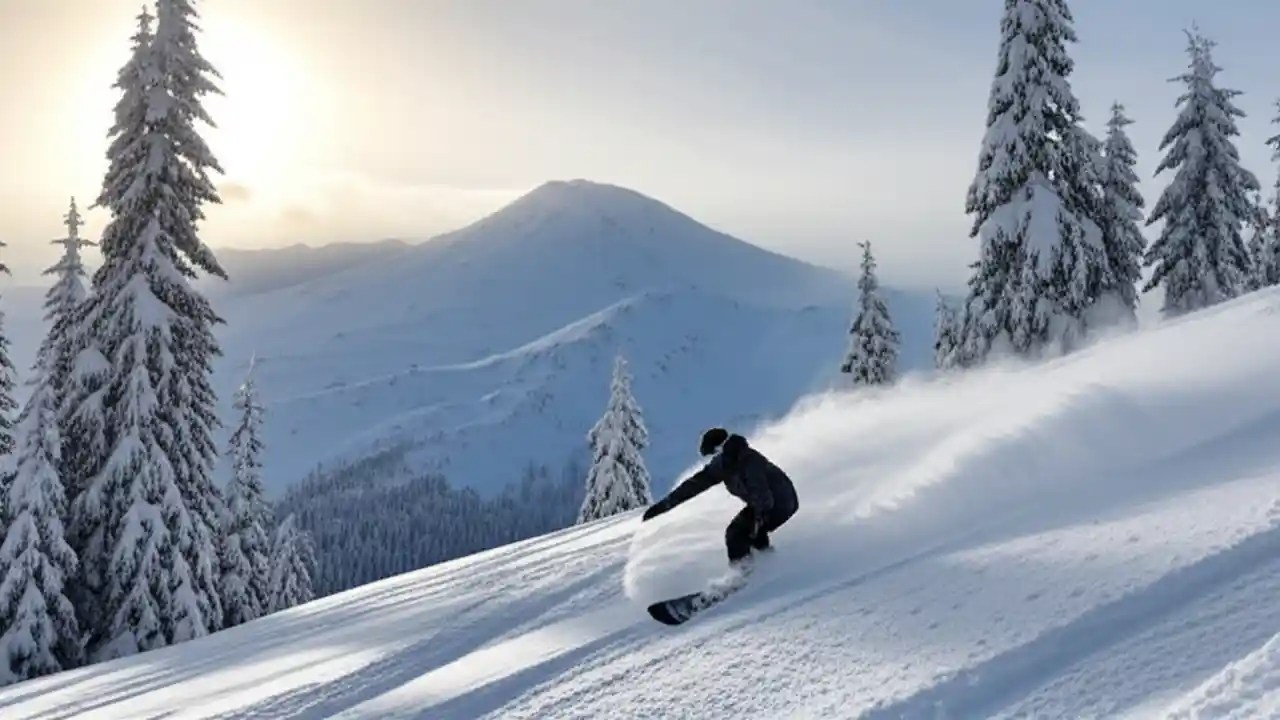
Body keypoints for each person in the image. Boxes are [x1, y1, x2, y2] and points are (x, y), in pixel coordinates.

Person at [641, 427, 799, 567]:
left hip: (782, 502)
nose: (714, 458)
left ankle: (745, 572)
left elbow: (762, 493)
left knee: (737, 532)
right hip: (765, 504)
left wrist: (759, 520)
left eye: (715, 453)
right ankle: (766, 566)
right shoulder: (724, 464)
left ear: (721, 447)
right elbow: (695, 485)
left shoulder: (748, 461)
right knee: (748, 533)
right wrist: (663, 506)